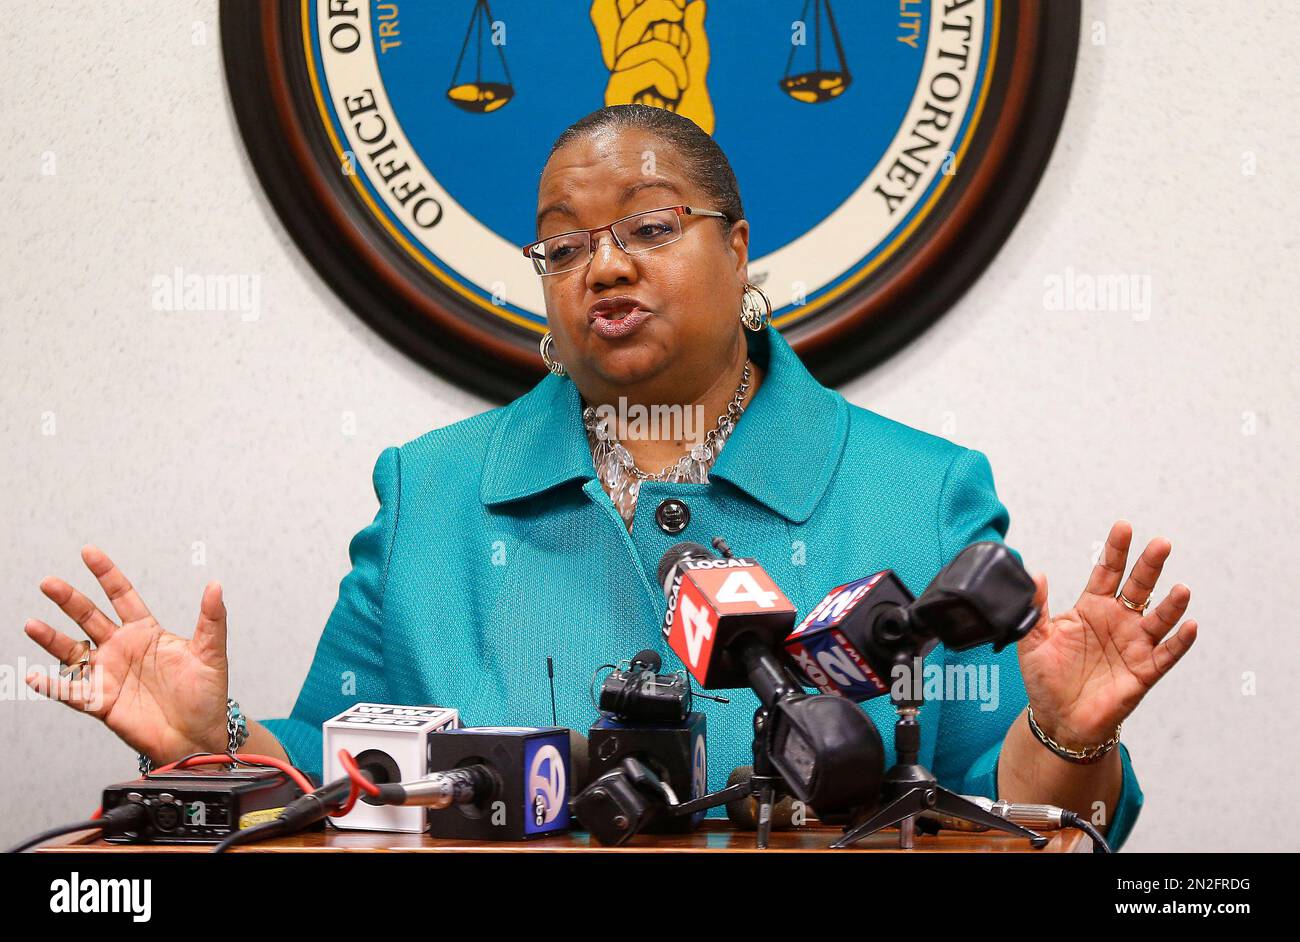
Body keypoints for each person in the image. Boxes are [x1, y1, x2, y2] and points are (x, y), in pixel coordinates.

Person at [22, 105, 1198, 850]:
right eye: (564, 243)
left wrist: (1068, 735)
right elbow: (344, 777)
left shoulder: (919, 489)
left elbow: (1026, 827)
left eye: (647, 226)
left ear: (738, 249)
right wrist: (205, 740)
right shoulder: (431, 496)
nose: (602, 266)